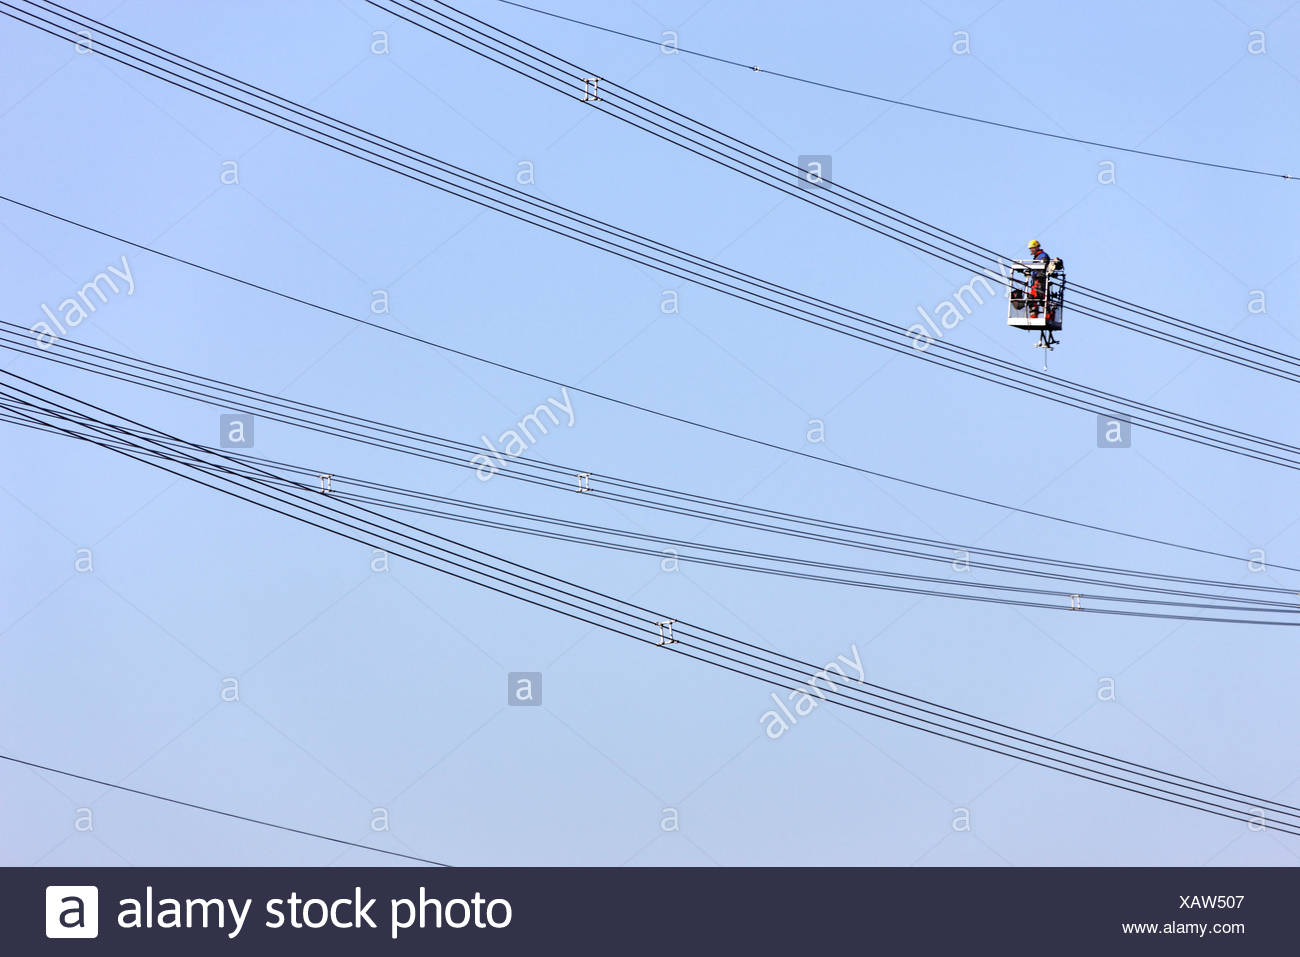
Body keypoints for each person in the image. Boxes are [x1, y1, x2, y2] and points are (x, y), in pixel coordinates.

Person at [1026, 239, 1051, 319]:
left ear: (1037, 247)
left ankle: (1048, 316)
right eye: (1030, 248)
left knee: (1042, 298)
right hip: (1035, 282)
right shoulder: (1036, 257)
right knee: (1031, 299)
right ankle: (1033, 316)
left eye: (1032, 248)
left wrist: (1036, 272)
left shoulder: (1043, 256)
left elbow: (1043, 267)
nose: (1031, 250)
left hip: (1041, 282)